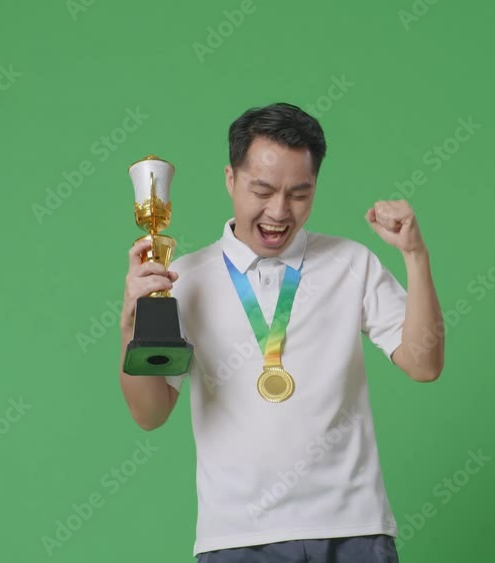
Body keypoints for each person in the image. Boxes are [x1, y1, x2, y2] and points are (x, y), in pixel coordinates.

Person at [118, 102, 445, 563]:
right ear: (230, 179)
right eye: (263, 190)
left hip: (353, 529)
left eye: (299, 194)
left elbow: (424, 363)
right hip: (236, 538)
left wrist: (415, 256)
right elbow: (149, 414)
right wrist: (132, 327)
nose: (279, 211)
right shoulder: (183, 279)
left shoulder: (350, 262)